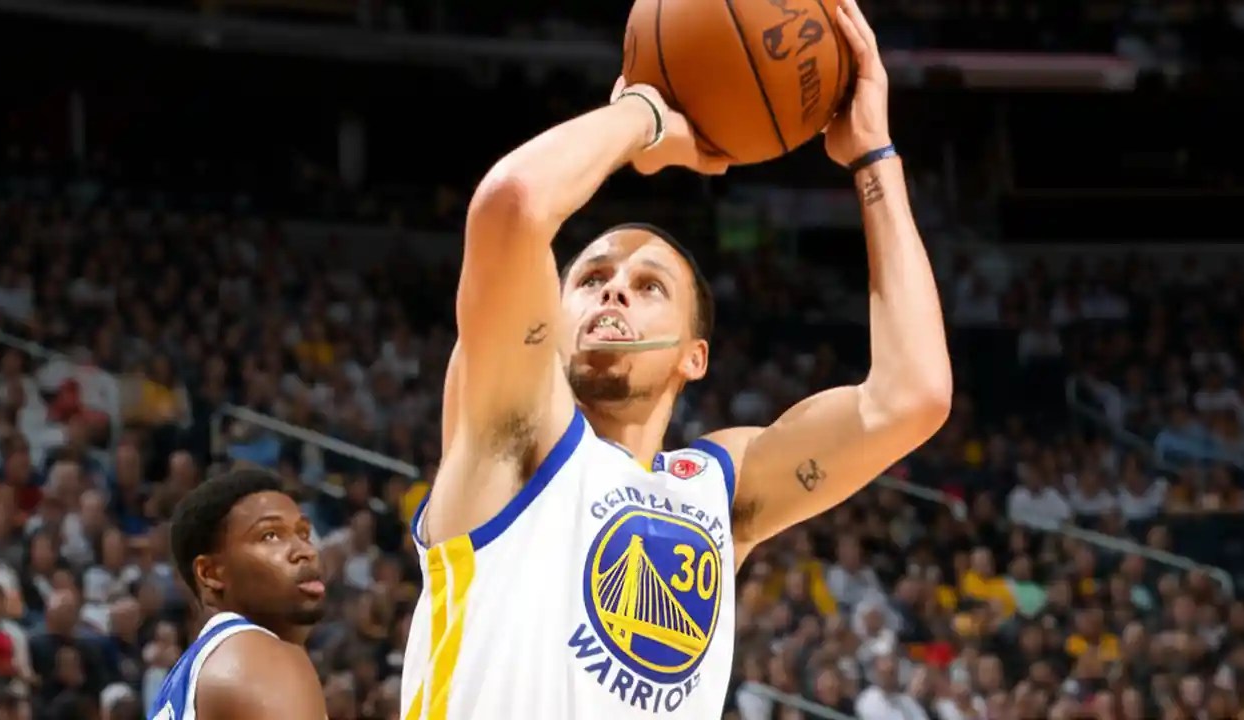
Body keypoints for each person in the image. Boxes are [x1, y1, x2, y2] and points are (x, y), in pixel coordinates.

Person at [401, 1, 951, 718]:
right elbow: (513, 205)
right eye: (591, 279)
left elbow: (913, 396)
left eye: (648, 286)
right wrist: (645, 116)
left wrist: (874, 158)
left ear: (695, 357)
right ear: (553, 322)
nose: (614, 291)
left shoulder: (719, 490)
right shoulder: (512, 429)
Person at [147, 468, 327, 720]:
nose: (306, 551)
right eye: (270, 536)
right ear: (210, 573)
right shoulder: (257, 657)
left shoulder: (187, 680)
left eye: (303, 533)